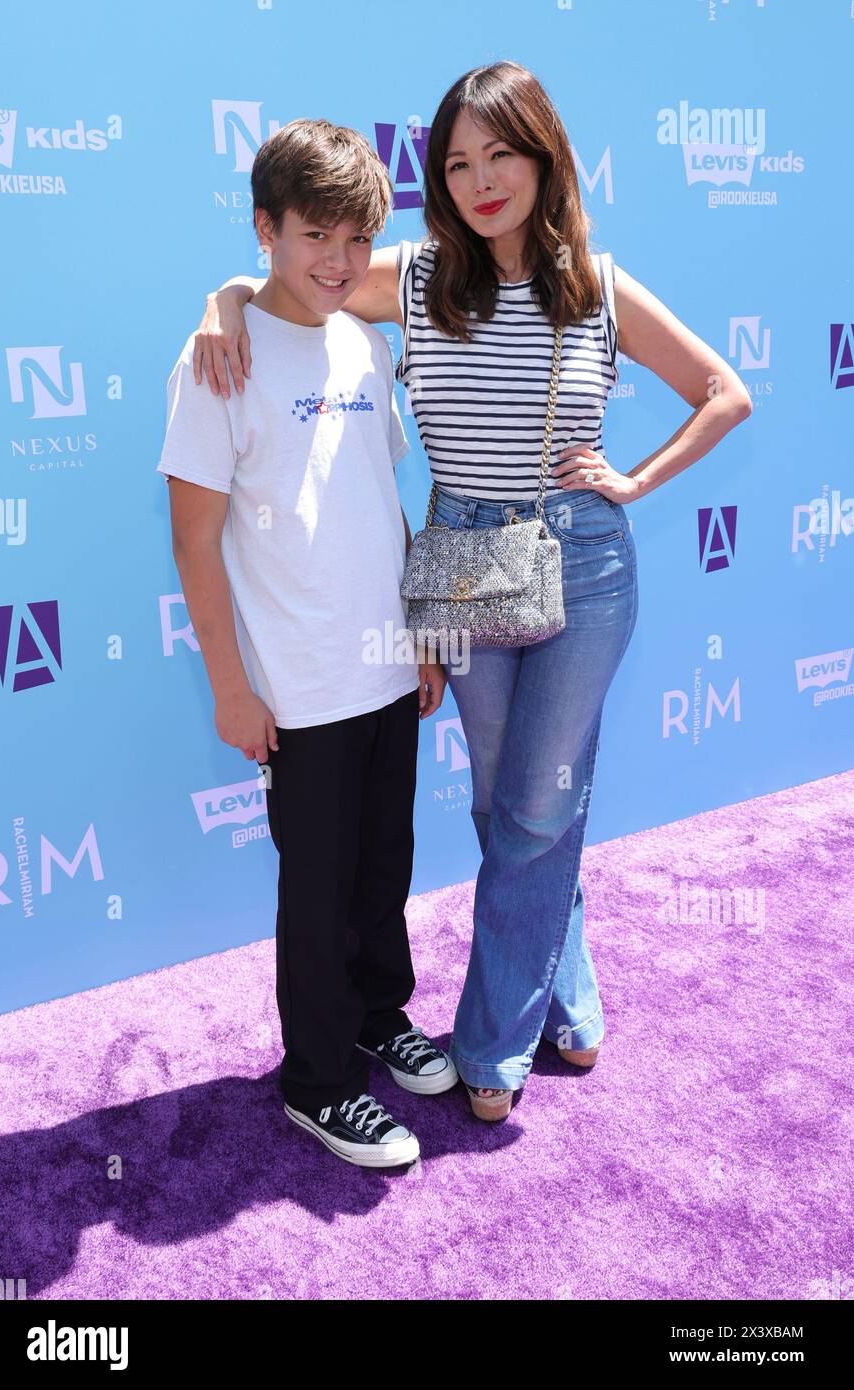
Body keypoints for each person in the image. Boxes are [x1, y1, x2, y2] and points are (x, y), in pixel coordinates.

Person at [187, 62, 752, 1123]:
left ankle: (492, 1047)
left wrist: (632, 480)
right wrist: (218, 305)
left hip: (576, 556)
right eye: (457, 161)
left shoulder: (594, 277)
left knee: (537, 807)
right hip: (458, 554)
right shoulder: (414, 276)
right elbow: (281, 283)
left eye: (501, 154)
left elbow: (726, 391)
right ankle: (570, 998)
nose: (481, 178)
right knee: (510, 806)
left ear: (543, 157)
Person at [157, 117, 458, 1168]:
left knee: (385, 870)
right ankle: (319, 1082)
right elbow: (194, 539)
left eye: (354, 239)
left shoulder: (366, 343)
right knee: (318, 894)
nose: (336, 260)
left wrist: (422, 631)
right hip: (298, 691)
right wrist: (229, 691)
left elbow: (386, 500)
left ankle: (379, 1017)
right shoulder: (215, 361)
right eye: (313, 235)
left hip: (385, 667)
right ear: (265, 229)